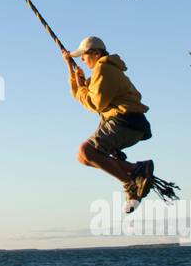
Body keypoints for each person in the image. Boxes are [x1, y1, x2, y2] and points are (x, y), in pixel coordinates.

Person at [63, 36, 156, 213]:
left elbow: (94, 103)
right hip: (130, 124)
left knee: (86, 151)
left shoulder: (103, 69)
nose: (81, 59)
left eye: (83, 55)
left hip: (126, 121)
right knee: (83, 157)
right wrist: (71, 70)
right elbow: (83, 96)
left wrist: (82, 86)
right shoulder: (104, 71)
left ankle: (131, 183)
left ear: (96, 53)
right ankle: (137, 171)